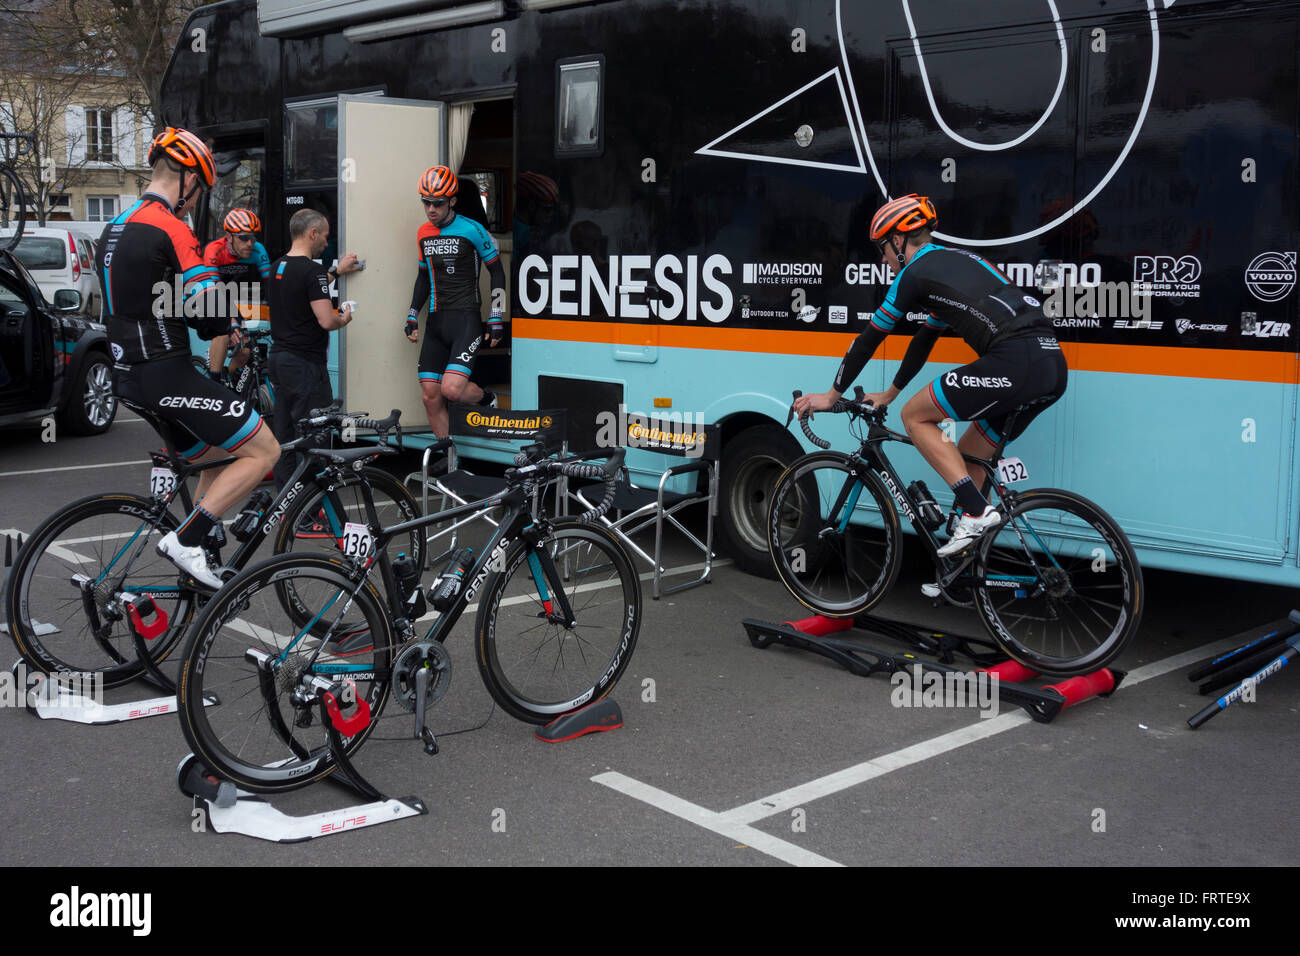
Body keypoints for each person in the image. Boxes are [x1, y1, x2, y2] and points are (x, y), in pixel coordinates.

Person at [794, 193, 1066, 559]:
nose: (885, 260)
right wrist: (888, 393)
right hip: (1051, 365)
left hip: (1015, 361)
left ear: (898, 240)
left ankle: (976, 513)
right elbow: (924, 340)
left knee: (914, 416)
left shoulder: (914, 274)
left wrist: (830, 396)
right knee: (969, 459)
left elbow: (869, 339)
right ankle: (968, 568)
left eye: (884, 250)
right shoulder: (957, 262)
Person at [97, 127, 280, 588]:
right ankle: (188, 539)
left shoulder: (114, 227)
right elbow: (208, 312)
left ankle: (197, 559)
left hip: (127, 374)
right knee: (265, 450)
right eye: (199, 192)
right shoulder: (171, 227)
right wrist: (229, 321)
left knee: (217, 456)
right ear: (186, 179)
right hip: (166, 373)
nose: (196, 202)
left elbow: (147, 299)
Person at [405, 165, 506, 437]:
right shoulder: (423, 233)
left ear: (452, 201)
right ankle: (449, 458)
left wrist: (496, 315)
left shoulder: (472, 229)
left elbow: (496, 271)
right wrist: (412, 314)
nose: (431, 210)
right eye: (426, 203)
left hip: (465, 319)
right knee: (430, 395)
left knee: (451, 389)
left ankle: (486, 399)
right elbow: (423, 277)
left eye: (437, 203)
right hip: (436, 321)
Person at [266, 207, 360, 488]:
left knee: (285, 435)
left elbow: (304, 290)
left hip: (279, 360)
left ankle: (287, 504)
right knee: (315, 437)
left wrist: (336, 272)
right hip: (305, 365)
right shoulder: (312, 271)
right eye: (325, 236)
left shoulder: (277, 266)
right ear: (312, 233)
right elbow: (326, 320)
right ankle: (309, 511)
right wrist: (344, 317)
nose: (326, 242)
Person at [202, 208, 272, 385]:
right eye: (243, 237)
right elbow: (214, 291)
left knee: (246, 351)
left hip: (232, 297)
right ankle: (214, 384)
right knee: (223, 332)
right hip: (208, 295)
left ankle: (230, 383)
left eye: (253, 237)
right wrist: (230, 321)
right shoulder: (214, 250)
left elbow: (271, 285)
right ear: (228, 236)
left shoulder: (257, 250)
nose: (250, 243)